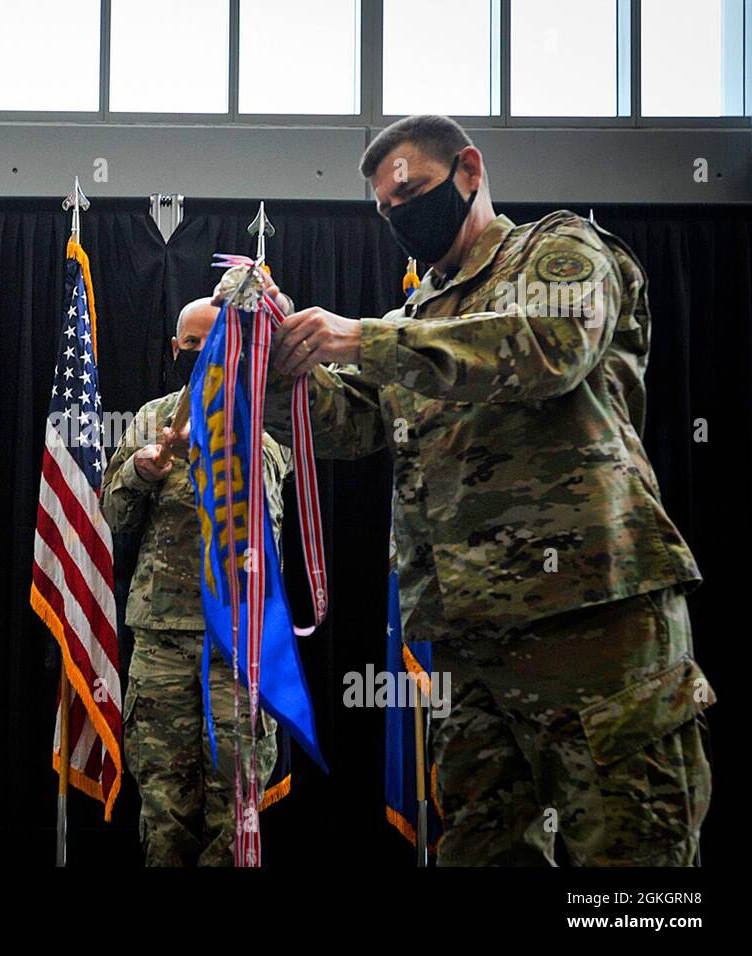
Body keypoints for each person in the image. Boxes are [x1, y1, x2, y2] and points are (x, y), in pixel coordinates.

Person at [257, 114, 714, 866]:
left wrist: (362, 339)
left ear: (470, 169)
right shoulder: (417, 319)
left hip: (594, 621)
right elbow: (351, 424)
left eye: (414, 193)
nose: (401, 217)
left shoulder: (559, 250)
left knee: (634, 862)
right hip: (470, 642)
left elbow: (548, 347)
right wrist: (272, 369)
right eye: (385, 211)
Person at [101, 295, 293, 866]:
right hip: (162, 641)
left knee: (236, 810)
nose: (199, 354)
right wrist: (140, 471)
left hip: (237, 646)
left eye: (212, 343)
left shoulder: (268, 419)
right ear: (175, 350)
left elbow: (266, 523)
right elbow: (112, 517)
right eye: (188, 344)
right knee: (163, 806)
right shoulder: (151, 419)